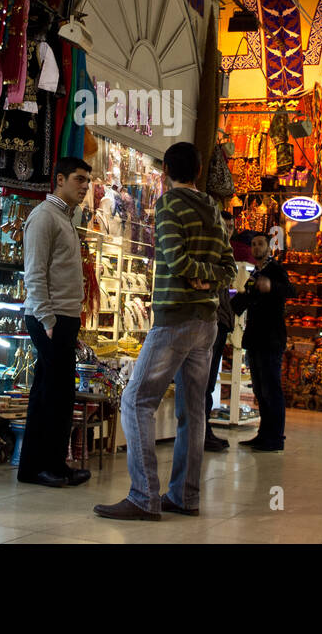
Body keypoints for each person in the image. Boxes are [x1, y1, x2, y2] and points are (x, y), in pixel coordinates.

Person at [94, 142, 236, 521]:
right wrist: (209, 282)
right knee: (193, 411)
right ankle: (185, 496)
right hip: (206, 323)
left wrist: (197, 278)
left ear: (166, 172)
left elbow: (175, 258)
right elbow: (229, 267)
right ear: (200, 167)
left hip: (174, 317)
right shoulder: (214, 210)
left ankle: (144, 496)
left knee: (136, 400)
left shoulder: (169, 205)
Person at [19, 156, 93, 488]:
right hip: (48, 318)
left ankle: (50, 465)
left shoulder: (65, 219)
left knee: (56, 392)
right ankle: (41, 467)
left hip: (63, 317)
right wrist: (47, 319)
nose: (85, 187)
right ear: (59, 179)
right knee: (54, 392)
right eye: (79, 179)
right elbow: (34, 272)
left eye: (87, 182)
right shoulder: (44, 217)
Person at [231, 230, 291, 451]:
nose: (256, 248)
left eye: (260, 244)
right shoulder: (255, 274)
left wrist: (272, 287)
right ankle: (264, 433)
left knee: (271, 389)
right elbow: (244, 300)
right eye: (253, 245)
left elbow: (290, 291)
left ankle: (275, 437)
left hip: (271, 339)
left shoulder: (275, 270)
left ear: (268, 247)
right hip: (255, 339)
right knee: (259, 389)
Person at [204, 213, 240, 452]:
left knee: (208, 382)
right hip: (211, 322)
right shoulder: (214, 253)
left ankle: (204, 430)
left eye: (231, 226)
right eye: (224, 226)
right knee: (205, 382)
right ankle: (202, 432)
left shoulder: (224, 253)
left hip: (220, 322)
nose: (228, 230)